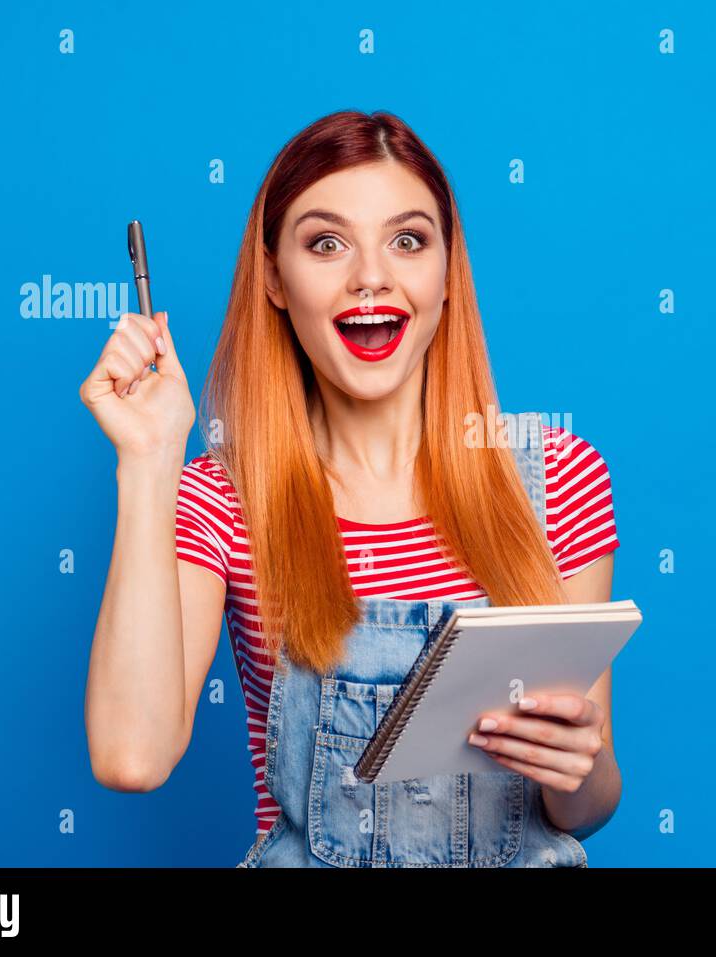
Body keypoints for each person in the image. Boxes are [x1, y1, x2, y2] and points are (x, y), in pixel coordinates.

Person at [79, 110, 621, 867]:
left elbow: (587, 805)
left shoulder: (558, 477)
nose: (372, 275)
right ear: (273, 276)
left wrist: (580, 762)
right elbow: (130, 757)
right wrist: (148, 456)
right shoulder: (223, 500)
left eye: (408, 240)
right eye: (326, 243)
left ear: (446, 271)